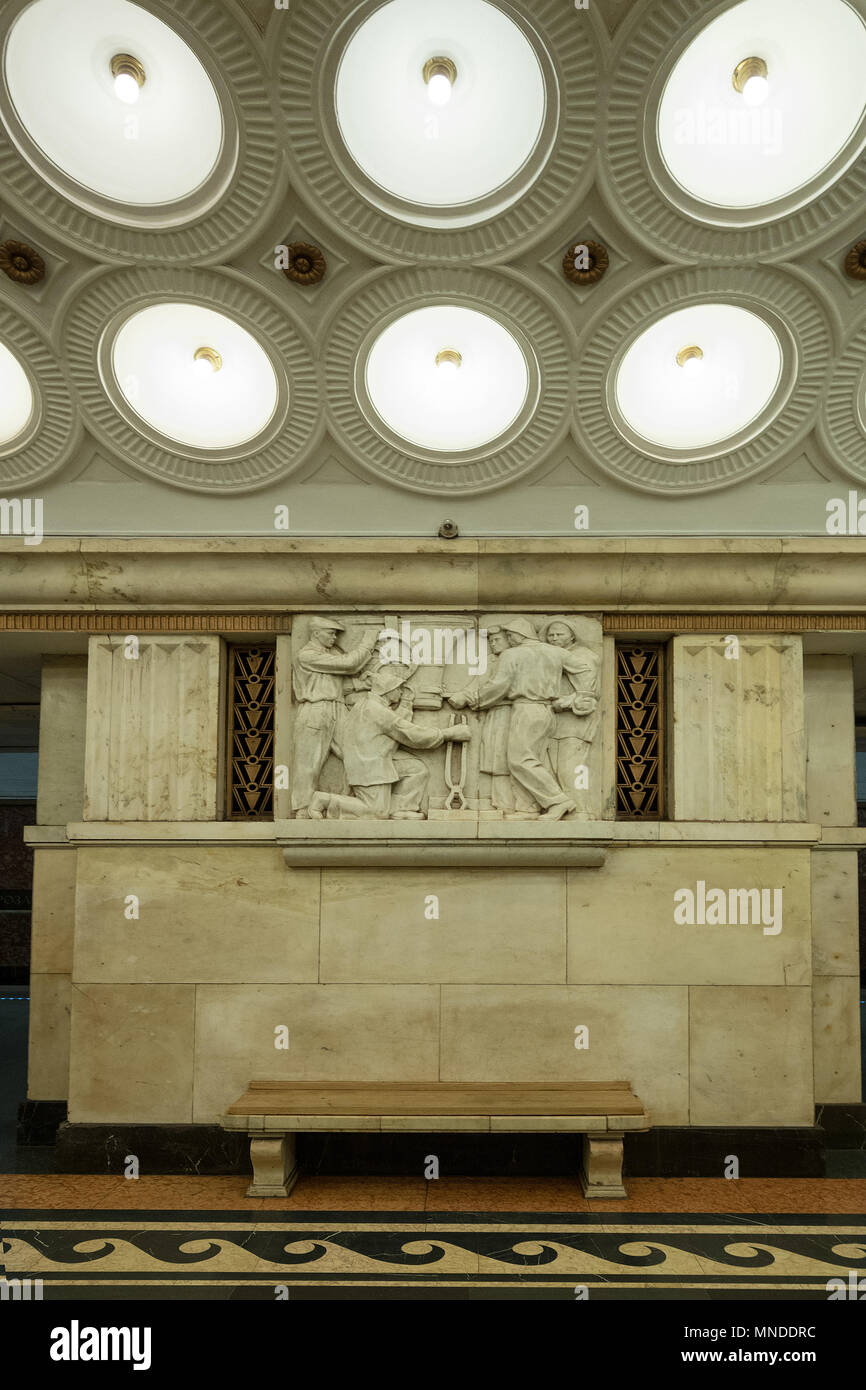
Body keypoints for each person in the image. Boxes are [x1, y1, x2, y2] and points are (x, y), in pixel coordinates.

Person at [451, 617, 594, 819]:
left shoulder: (512, 654)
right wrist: (581, 694)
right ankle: (528, 808)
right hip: (547, 712)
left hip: (526, 710)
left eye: (510, 635)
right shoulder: (556, 652)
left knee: (520, 760)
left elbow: (500, 686)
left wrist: (475, 701)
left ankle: (558, 801)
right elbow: (585, 669)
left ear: (520, 635)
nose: (508, 638)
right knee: (530, 760)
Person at [308, 665, 471, 820]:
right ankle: (324, 800)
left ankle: (402, 808)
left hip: (376, 758)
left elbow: (395, 724)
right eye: (398, 688)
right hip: (369, 765)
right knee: (375, 812)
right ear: (388, 690)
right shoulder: (376, 711)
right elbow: (410, 734)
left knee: (416, 770)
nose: (400, 691)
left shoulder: (368, 704)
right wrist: (448, 733)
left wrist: (406, 703)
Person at [291, 618, 378, 817]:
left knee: (358, 751)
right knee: (309, 763)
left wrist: (359, 685)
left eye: (335, 633)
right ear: (316, 634)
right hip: (315, 710)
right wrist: (369, 639)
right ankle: (303, 809)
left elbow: (331, 684)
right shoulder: (307, 655)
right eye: (330, 633)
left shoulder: (328, 655)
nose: (334, 637)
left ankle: (346, 801)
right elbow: (349, 664)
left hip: (337, 708)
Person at [540, 616, 601, 809]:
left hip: (575, 723)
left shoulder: (583, 656)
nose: (554, 638)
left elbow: (588, 695)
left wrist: (564, 703)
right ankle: (563, 807)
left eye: (559, 634)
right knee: (552, 769)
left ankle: (581, 810)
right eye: (551, 635)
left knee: (571, 768)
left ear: (572, 636)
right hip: (554, 723)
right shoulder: (553, 655)